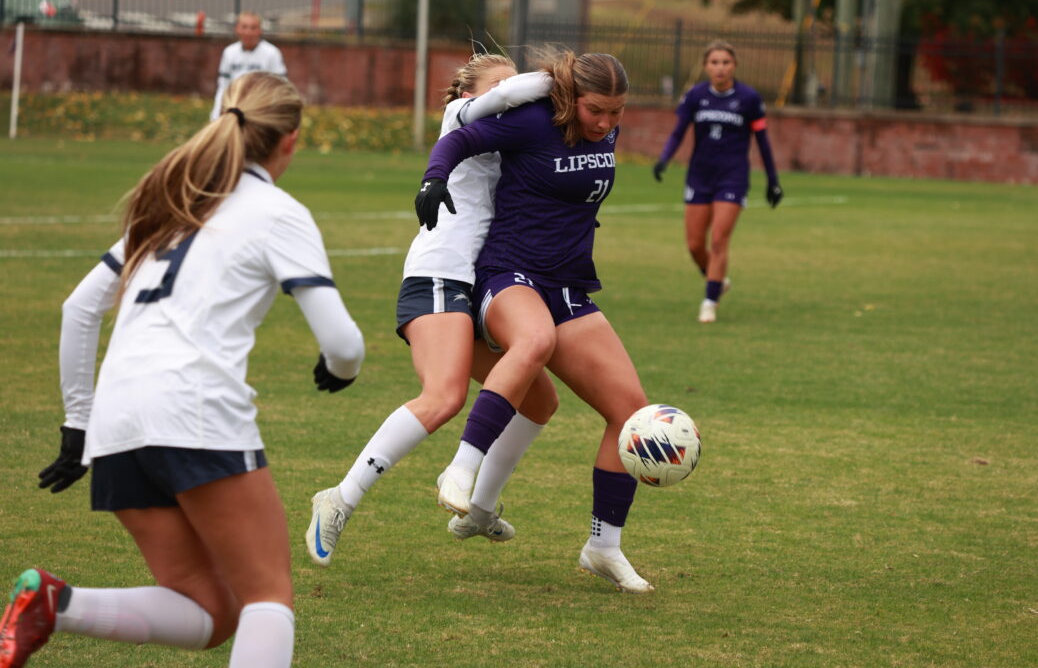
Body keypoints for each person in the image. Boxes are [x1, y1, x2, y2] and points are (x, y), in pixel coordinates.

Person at [0, 72, 364, 668]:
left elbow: (79, 309)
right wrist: (340, 368)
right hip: (194, 410)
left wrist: (77, 422)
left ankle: (53, 605)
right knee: (267, 596)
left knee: (210, 611)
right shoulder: (278, 211)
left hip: (117, 422)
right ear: (291, 140)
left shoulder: (170, 202)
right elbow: (344, 344)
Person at [417, 49, 657, 593]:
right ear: (574, 99)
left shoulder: (605, 131)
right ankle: (461, 467)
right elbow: (457, 140)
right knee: (534, 339)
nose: (606, 123)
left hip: (567, 284)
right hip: (508, 272)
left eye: (617, 112)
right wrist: (433, 179)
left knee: (630, 414)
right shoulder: (533, 119)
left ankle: (603, 547)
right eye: (596, 110)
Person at [305, 54, 558, 567]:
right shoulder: (460, 115)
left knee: (538, 399)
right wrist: (567, 78)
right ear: (469, 94)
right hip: (440, 275)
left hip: (473, 285)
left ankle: (479, 509)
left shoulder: (508, 137)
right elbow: (509, 95)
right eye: (498, 83)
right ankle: (340, 498)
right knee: (443, 397)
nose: (509, 92)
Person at [653, 40, 783, 323]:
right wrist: (664, 159)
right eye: (714, 62)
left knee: (719, 239)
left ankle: (709, 301)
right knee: (694, 245)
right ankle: (718, 281)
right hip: (699, 176)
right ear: (705, 66)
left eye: (726, 62)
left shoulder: (749, 98)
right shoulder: (695, 95)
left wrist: (773, 181)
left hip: (732, 178)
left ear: (734, 66)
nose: (720, 68)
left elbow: (763, 142)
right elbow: (678, 132)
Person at [210, 12, 287, 121]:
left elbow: (281, 85)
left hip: (260, 106)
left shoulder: (272, 53)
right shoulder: (229, 52)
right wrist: (216, 112)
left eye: (253, 28)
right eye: (244, 27)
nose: (248, 32)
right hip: (235, 105)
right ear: (237, 29)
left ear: (260, 30)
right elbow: (223, 85)